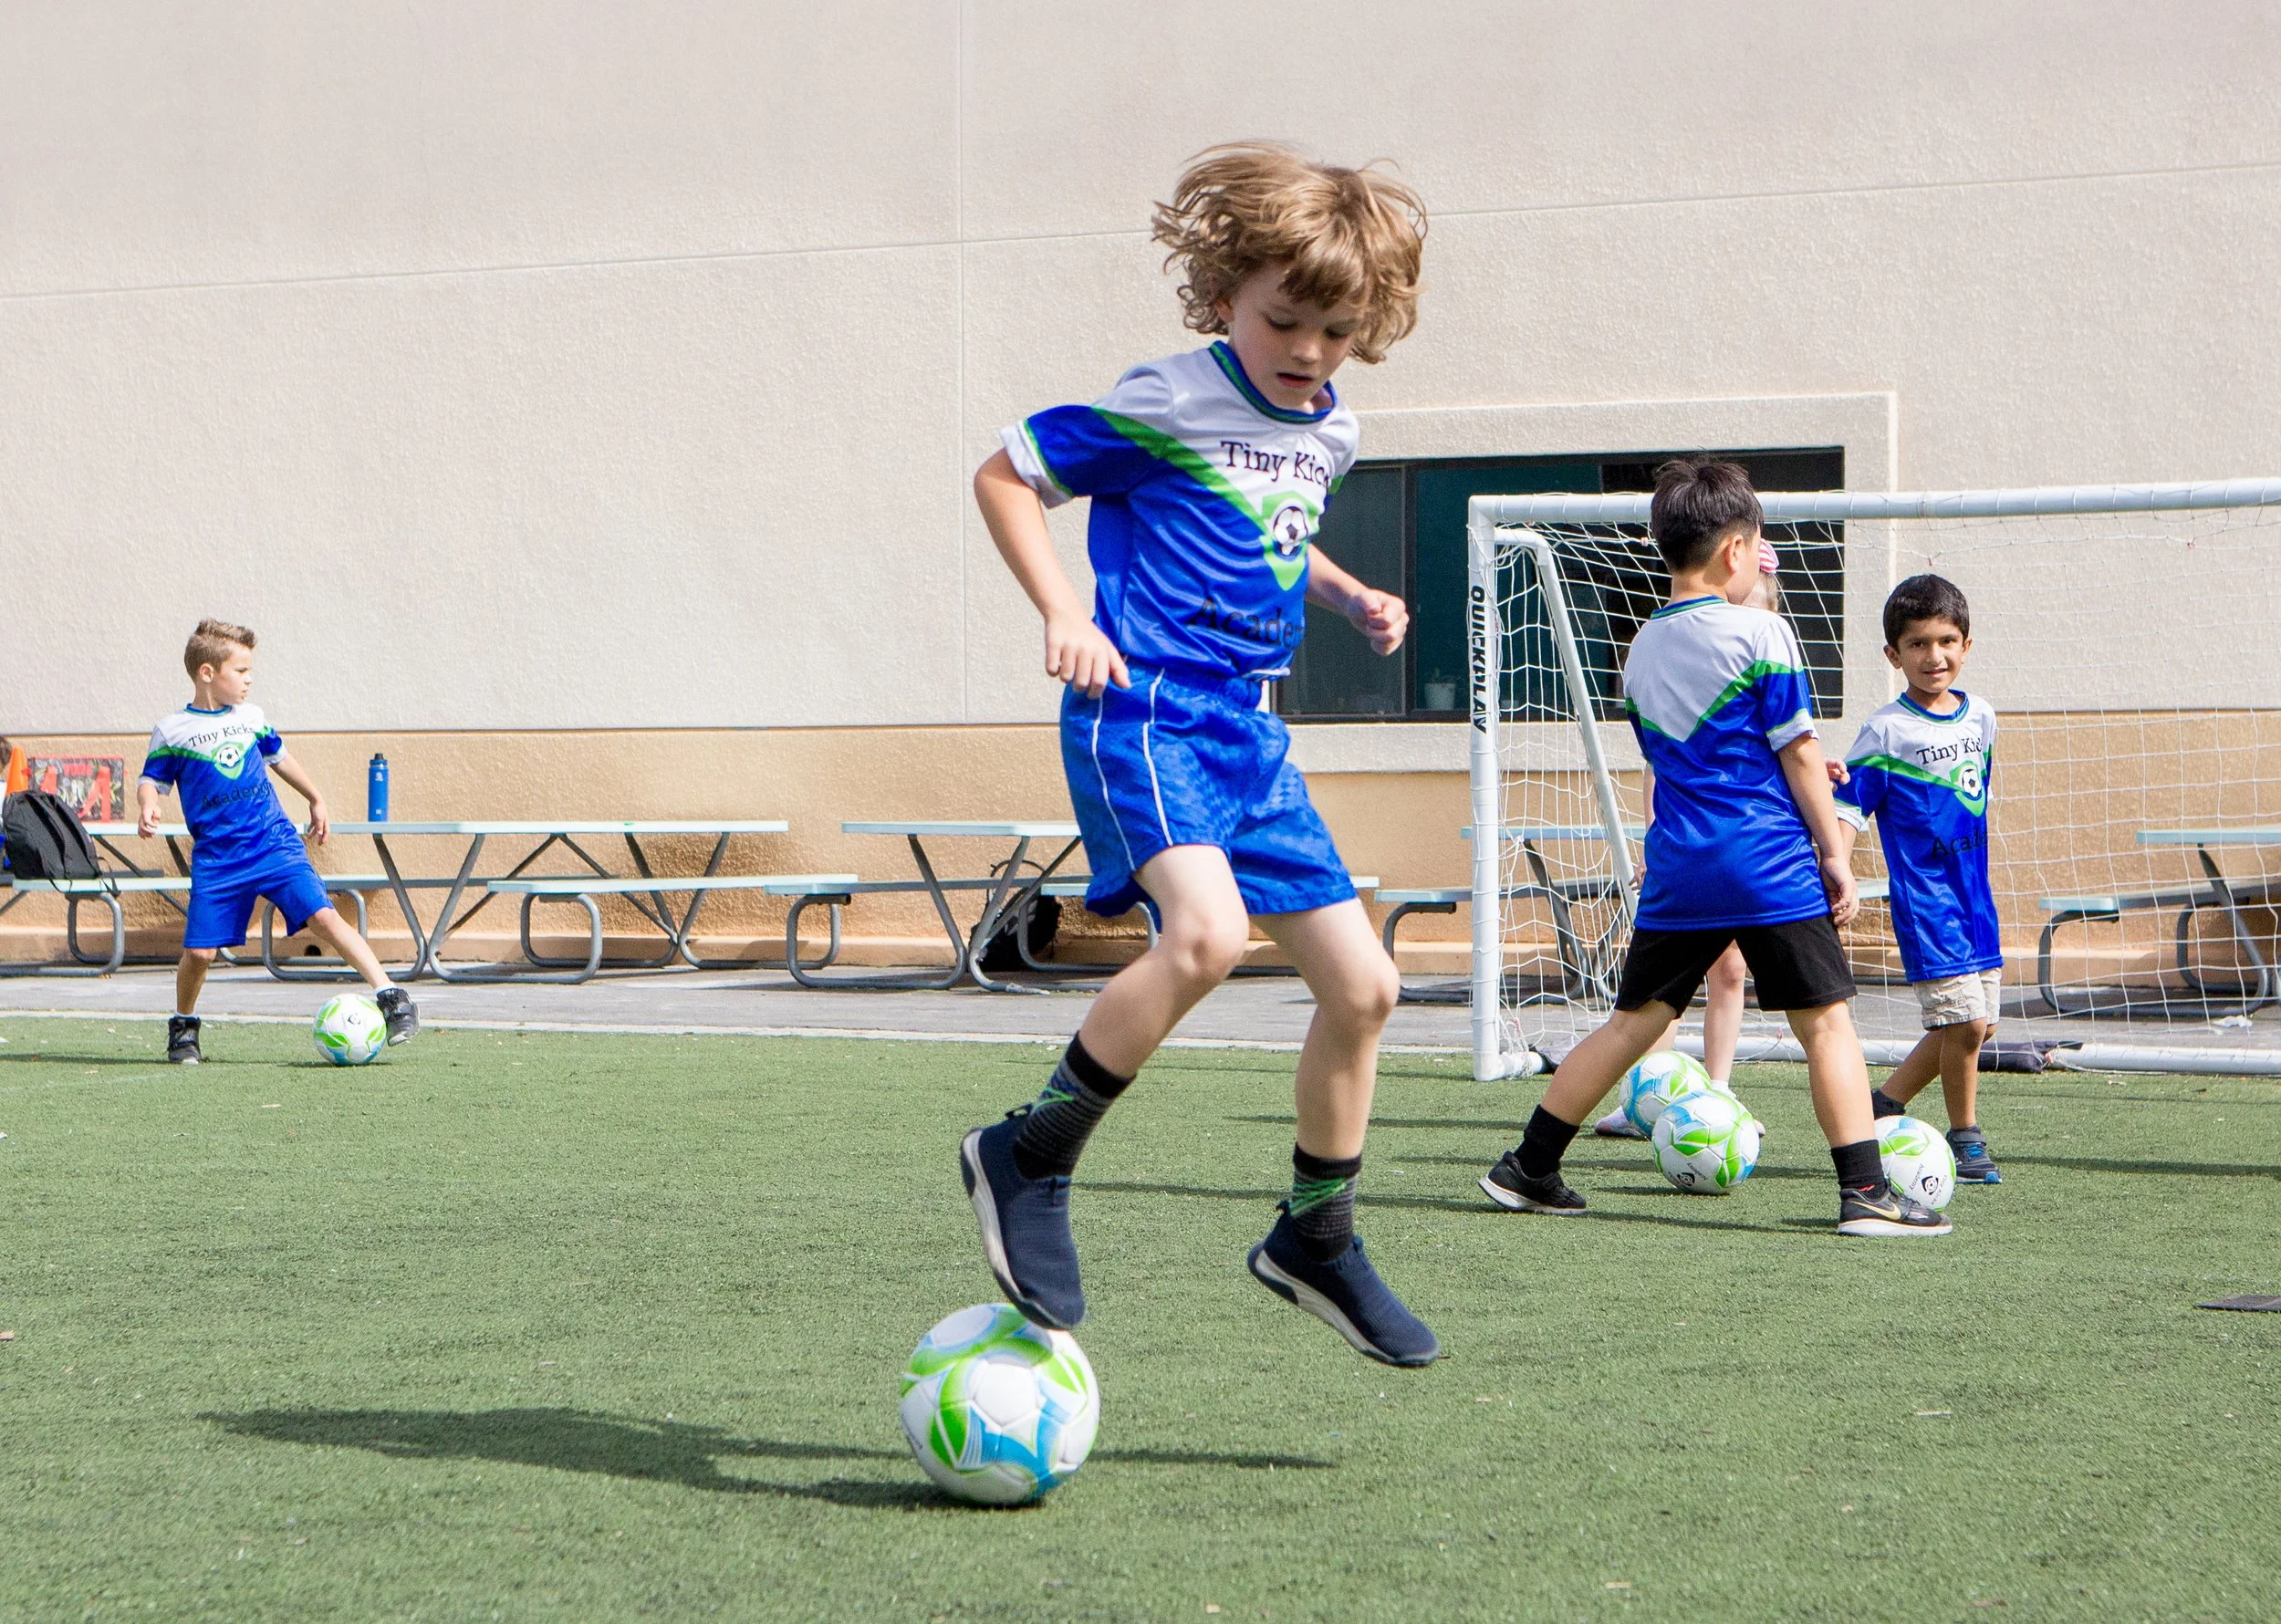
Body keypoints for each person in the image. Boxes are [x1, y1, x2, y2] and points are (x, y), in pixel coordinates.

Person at [960, 143, 1441, 1365]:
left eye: (1338, 329)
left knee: (1366, 987)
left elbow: (1273, 537)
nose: (1311, 350)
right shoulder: (1166, 401)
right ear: (1227, 290)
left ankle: (1315, 1235)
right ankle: (1029, 1153)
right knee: (1207, 937)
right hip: (1149, 710)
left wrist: (1347, 598)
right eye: (1287, 320)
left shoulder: (1326, 430)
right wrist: (1063, 615)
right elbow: (1007, 475)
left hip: (1248, 730)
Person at [1478, 459, 1951, 1237]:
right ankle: (1866, 1195)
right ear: (1737, 551)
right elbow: (1796, 754)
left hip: (1678, 869)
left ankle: (1528, 1166)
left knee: (1632, 1021)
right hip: (1766, 865)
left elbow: (1682, 763)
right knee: (1827, 1024)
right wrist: (1834, 851)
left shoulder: (1637, 651)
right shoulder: (1764, 630)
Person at [138, 619, 417, 1065]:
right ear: (207, 673)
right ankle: (183, 1027)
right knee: (200, 951)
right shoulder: (173, 730)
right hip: (219, 858)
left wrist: (316, 798)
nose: (249, 680)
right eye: (241, 670)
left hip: (274, 844)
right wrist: (148, 803)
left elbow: (281, 760)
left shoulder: (252, 718)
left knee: (324, 916)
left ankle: (391, 997)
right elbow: (151, 780)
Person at [1593, 540, 1786, 1138]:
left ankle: (1719, 1091)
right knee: (1660, 988)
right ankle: (1650, 1093)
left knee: (1730, 970)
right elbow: (1661, 762)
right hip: (1685, 851)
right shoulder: (1674, 659)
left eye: (1754, 607)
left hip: (1745, 854)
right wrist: (1656, 837)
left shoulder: (1770, 662)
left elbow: (1786, 755)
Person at [1834, 575, 2004, 1183]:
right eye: (1918, 644)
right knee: (1962, 1023)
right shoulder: (1885, 732)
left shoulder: (1981, 718)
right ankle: (1967, 1137)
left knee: (1977, 1024)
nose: (1935, 656)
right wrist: (1842, 870)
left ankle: (1881, 1107)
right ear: (1893, 655)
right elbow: (1848, 809)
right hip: (1927, 901)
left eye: (1947, 641)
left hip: (1975, 899)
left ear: (1966, 645)